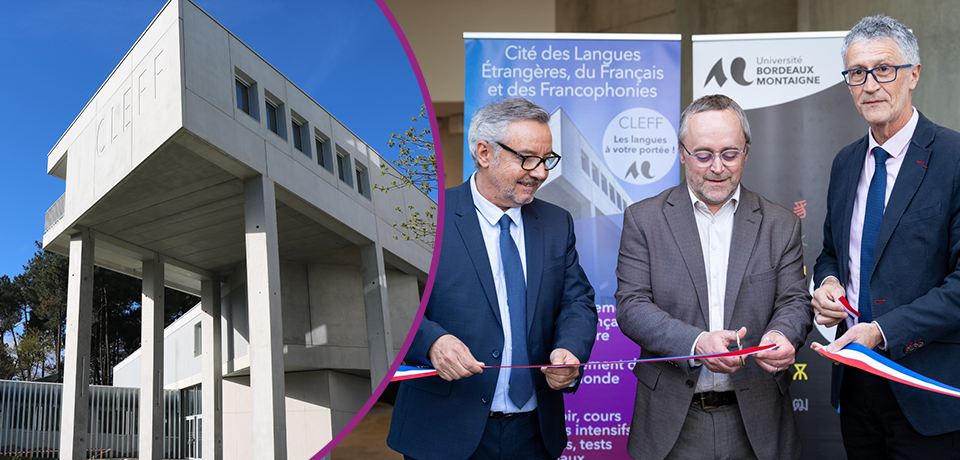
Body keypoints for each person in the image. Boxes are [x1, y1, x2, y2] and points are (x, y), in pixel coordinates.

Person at [387, 98, 597, 460]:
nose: (541, 172)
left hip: (535, 435)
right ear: (485, 153)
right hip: (441, 431)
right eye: (528, 158)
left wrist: (571, 350)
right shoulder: (424, 216)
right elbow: (386, 301)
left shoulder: (556, 223)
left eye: (547, 160)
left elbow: (576, 302)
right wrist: (432, 343)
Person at [615, 94, 812, 460]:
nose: (717, 167)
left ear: (746, 153)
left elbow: (794, 301)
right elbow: (632, 306)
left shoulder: (780, 224)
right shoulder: (644, 220)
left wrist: (780, 335)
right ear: (681, 153)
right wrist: (695, 342)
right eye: (703, 155)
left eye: (730, 154)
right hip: (673, 420)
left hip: (758, 417)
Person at [811, 14, 960, 458]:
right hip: (856, 391)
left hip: (928, 392)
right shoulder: (845, 163)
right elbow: (831, 253)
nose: (870, 84)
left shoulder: (953, 158)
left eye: (884, 69)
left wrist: (881, 331)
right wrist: (828, 284)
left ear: (913, 74)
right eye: (857, 73)